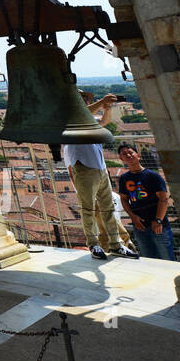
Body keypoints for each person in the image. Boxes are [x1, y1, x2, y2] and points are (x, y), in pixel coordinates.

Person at [62, 91, 137, 260]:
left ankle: (116, 245)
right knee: (88, 209)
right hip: (83, 166)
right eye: (81, 98)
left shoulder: (89, 117)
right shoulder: (69, 115)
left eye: (86, 98)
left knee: (108, 208)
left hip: (100, 167)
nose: (85, 100)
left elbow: (104, 121)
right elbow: (81, 113)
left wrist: (107, 108)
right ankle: (93, 244)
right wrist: (102, 101)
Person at [116, 143, 175, 260]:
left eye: (130, 152)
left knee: (167, 260)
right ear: (121, 159)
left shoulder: (153, 176)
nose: (128, 155)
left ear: (138, 156)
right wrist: (132, 217)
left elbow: (164, 199)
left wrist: (158, 220)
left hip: (159, 227)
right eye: (124, 154)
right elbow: (124, 199)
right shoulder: (124, 179)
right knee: (148, 260)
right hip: (140, 227)